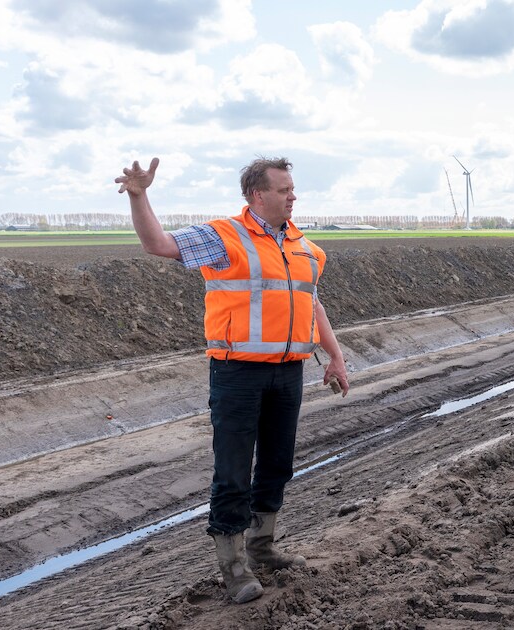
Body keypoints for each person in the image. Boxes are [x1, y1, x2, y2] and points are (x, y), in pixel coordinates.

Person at [115, 156, 349, 604]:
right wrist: (140, 195)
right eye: (283, 190)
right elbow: (158, 244)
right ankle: (234, 567)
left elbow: (312, 306)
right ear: (257, 195)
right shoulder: (225, 236)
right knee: (233, 472)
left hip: (289, 373)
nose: (293, 196)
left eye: (293, 189)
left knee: (278, 465)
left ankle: (262, 547)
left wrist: (334, 358)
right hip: (237, 373)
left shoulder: (307, 249)